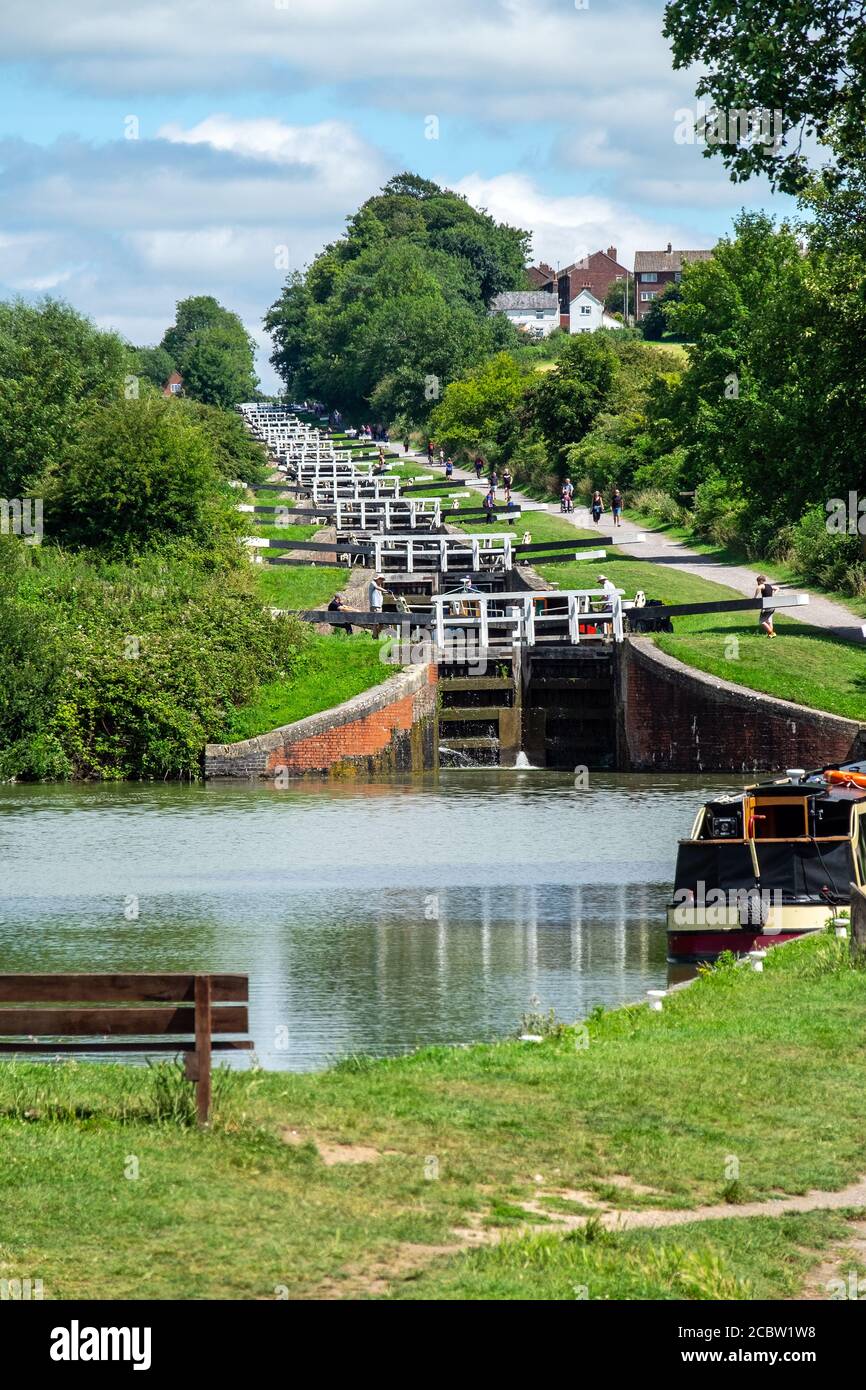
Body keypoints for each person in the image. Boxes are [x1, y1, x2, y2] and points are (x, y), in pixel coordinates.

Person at [369, 572, 387, 639]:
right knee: (376, 622)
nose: (382, 580)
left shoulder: (380, 585)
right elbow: (376, 588)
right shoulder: (373, 583)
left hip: (379, 606)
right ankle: (375, 637)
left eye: (382, 579)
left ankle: (375, 635)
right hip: (375, 606)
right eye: (381, 579)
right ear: (377, 579)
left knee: (380, 623)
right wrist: (386, 590)